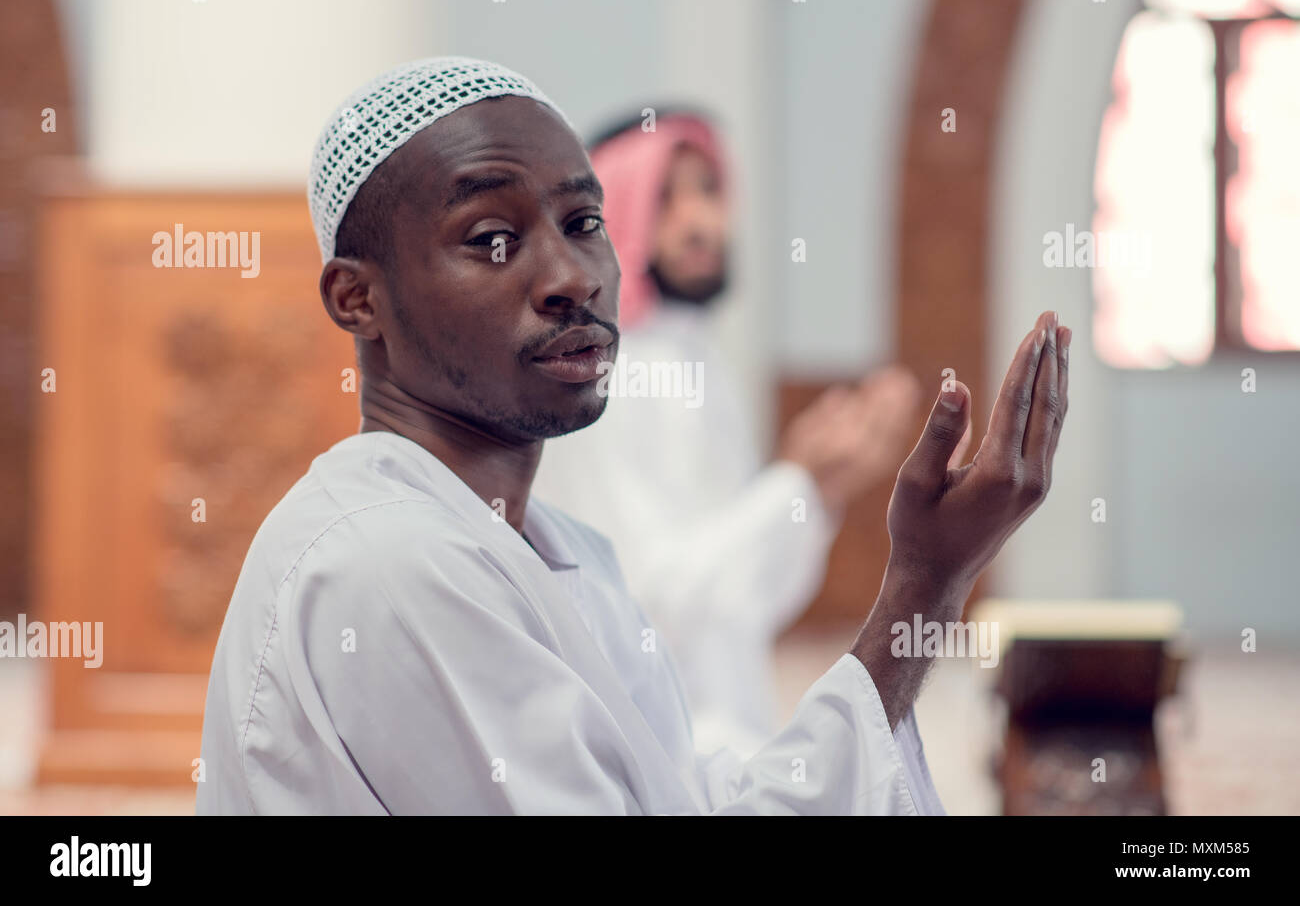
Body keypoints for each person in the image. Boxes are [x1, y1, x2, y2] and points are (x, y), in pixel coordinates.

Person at [195, 56, 1071, 815]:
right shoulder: (387, 562)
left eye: (583, 224)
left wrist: (923, 580)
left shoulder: (561, 549)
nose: (573, 277)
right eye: (494, 239)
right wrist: (881, 551)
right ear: (357, 298)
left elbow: (681, 796)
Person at [532, 110, 922, 756]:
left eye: (708, 190)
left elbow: (752, 603)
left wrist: (821, 490)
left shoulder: (707, 365)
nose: (698, 222)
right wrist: (796, 479)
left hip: (729, 736)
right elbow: (650, 599)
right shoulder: (600, 372)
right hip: (644, 745)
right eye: (666, 196)